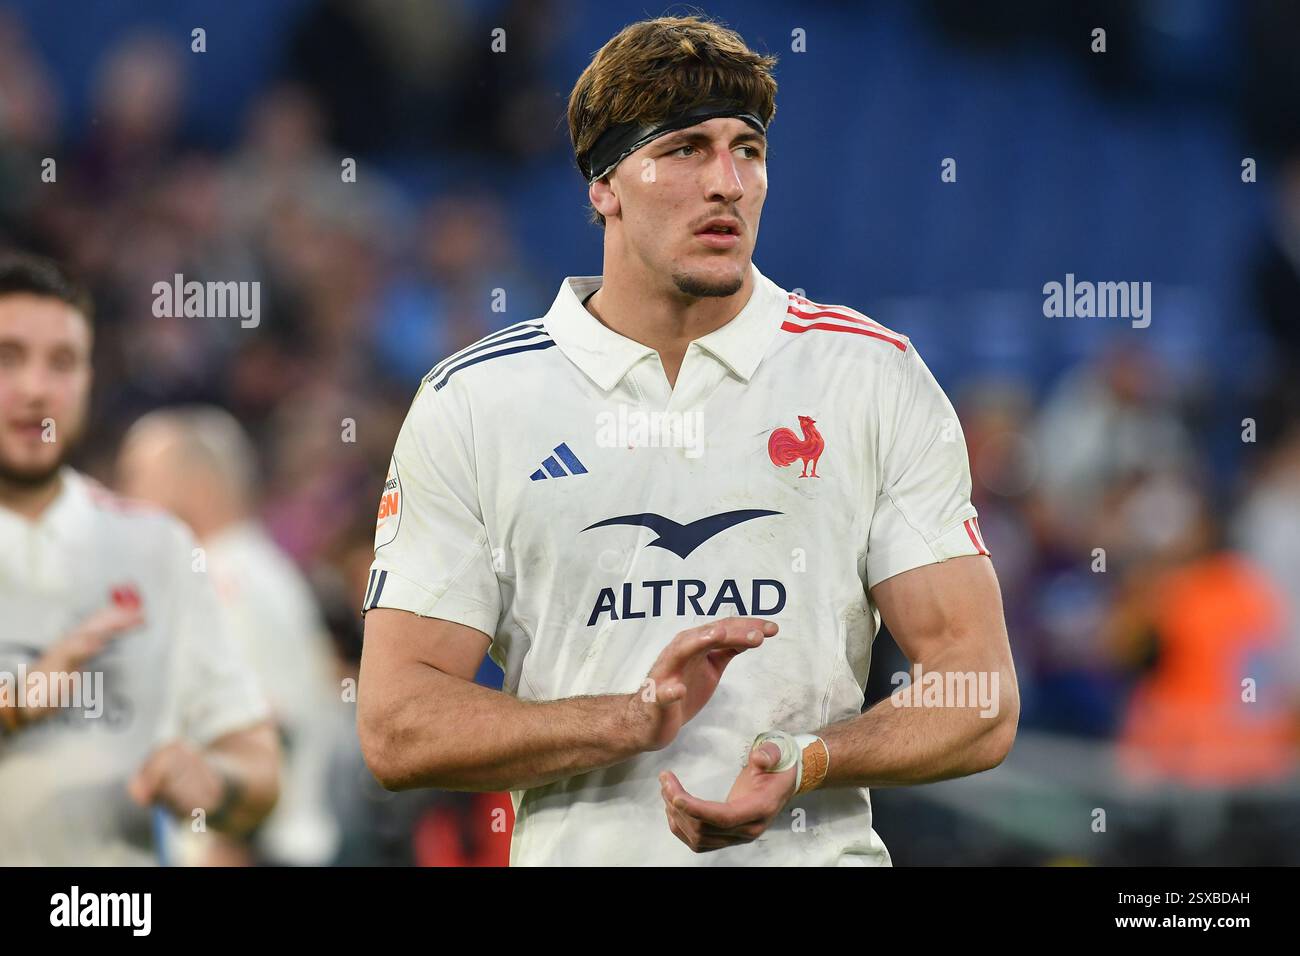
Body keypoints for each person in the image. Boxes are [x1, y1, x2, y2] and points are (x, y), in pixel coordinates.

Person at [357, 15, 1017, 866]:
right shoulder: (475, 403)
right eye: (685, 150)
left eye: (748, 150)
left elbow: (982, 691)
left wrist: (812, 759)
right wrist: (629, 721)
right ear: (603, 185)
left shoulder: (869, 375)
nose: (728, 184)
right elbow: (396, 724)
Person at [0, 252, 279, 865]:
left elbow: (258, 767)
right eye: (9, 358)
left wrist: (214, 784)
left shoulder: (158, 549)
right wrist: (15, 706)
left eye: (63, 362)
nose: (36, 388)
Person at [117, 406, 341, 866]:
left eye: (138, 476)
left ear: (194, 485)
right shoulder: (252, 569)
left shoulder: (225, 581)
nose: (126, 496)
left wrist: (228, 847)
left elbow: (269, 728)